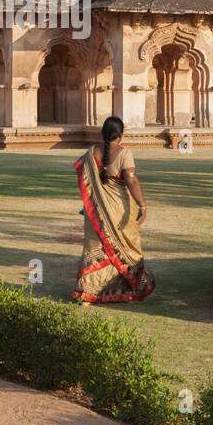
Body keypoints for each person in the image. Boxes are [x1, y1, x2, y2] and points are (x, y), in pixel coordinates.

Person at [73, 116, 155, 303]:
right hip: (119, 209)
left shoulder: (91, 152)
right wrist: (142, 205)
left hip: (95, 210)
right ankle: (128, 290)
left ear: (103, 133)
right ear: (121, 134)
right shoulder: (125, 153)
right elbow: (131, 179)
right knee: (125, 248)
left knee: (96, 248)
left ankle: (87, 293)